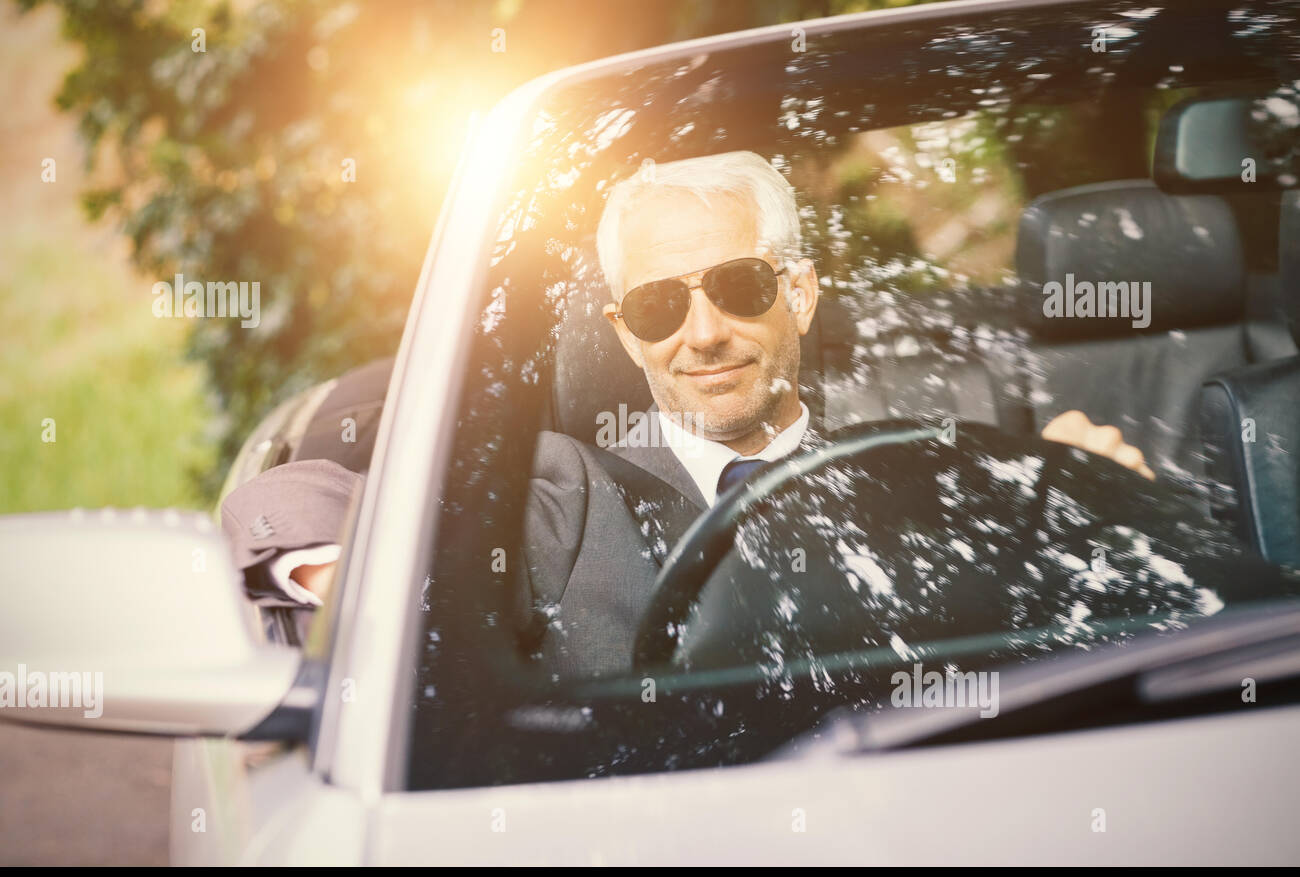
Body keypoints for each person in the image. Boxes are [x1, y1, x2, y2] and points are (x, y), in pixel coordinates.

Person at [221, 151, 1153, 675]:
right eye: (663, 307)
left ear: (799, 294)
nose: (702, 334)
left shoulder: (914, 478)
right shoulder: (558, 495)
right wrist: (359, 569)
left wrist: (1063, 505)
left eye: (741, 286)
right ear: (627, 336)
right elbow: (291, 501)